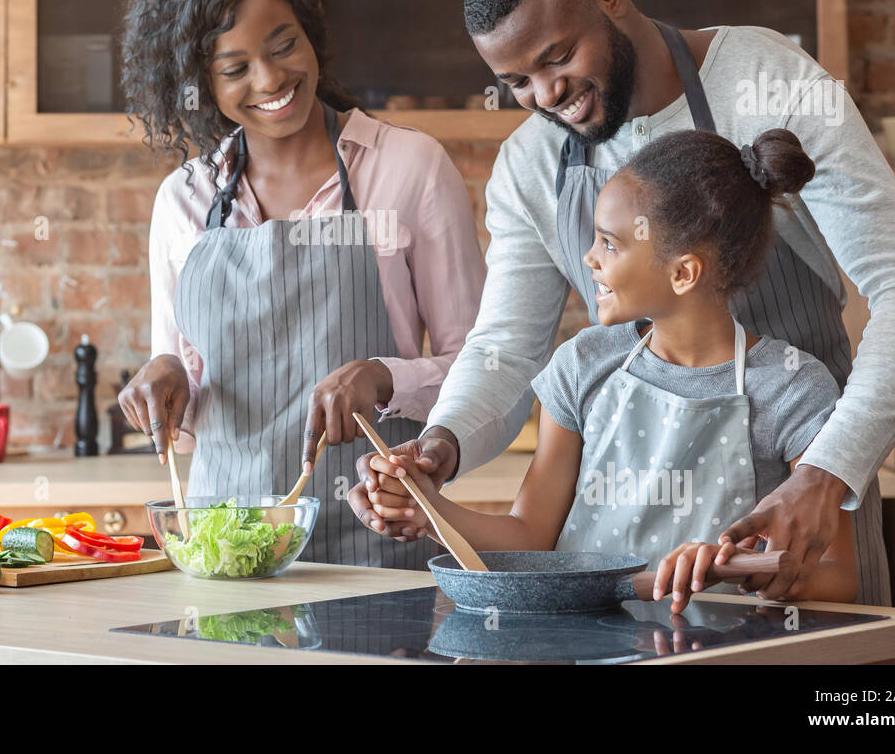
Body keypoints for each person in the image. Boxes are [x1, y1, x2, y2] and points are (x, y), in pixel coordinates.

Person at [350, 0, 895, 604]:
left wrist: (824, 473)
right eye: (517, 81)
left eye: (558, 57)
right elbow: (505, 351)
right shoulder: (529, 167)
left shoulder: (767, 84)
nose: (546, 94)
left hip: (811, 506)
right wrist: (441, 446)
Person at [361, 128, 858, 612]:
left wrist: (743, 570)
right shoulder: (583, 364)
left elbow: (838, 575)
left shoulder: (792, 386)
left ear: (683, 272)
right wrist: (428, 508)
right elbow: (530, 538)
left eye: (609, 243)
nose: (589, 258)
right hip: (585, 651)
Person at [117, 0, 485, 568]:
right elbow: (186, 386)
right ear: (200, 84)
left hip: (375, 539)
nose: (270, 78)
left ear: (311, 32)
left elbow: (484, 368)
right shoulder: (183, 200)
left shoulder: (408, 168)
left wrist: (385, 377)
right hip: (224, 549)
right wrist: (166, 378)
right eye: (235, 69)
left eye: (284, 45)